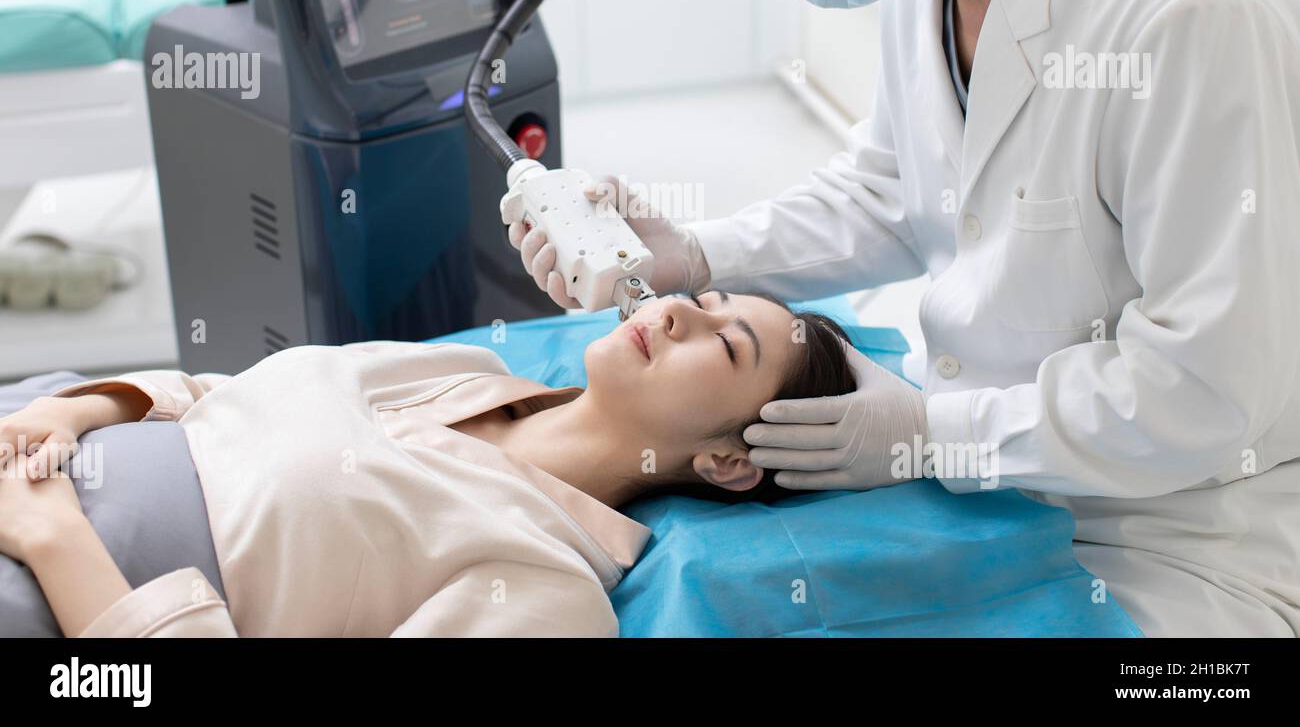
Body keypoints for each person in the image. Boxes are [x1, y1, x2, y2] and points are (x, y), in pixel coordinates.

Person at [511, 0, 1300, 636]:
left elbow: (1204, 394)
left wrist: (934, 433)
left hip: (1182, 545)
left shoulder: (1186, 12)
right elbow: (890, 190)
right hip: (984, 501)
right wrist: (696, 256)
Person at [0, 292, 856, 637]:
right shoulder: (468, 371)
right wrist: (78, 406)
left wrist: (52, 539)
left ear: (728, 462)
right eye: (699, 301)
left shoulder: (549, 589)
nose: (675, 313)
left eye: (725, 343)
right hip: (39, 433)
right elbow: (216, 391)